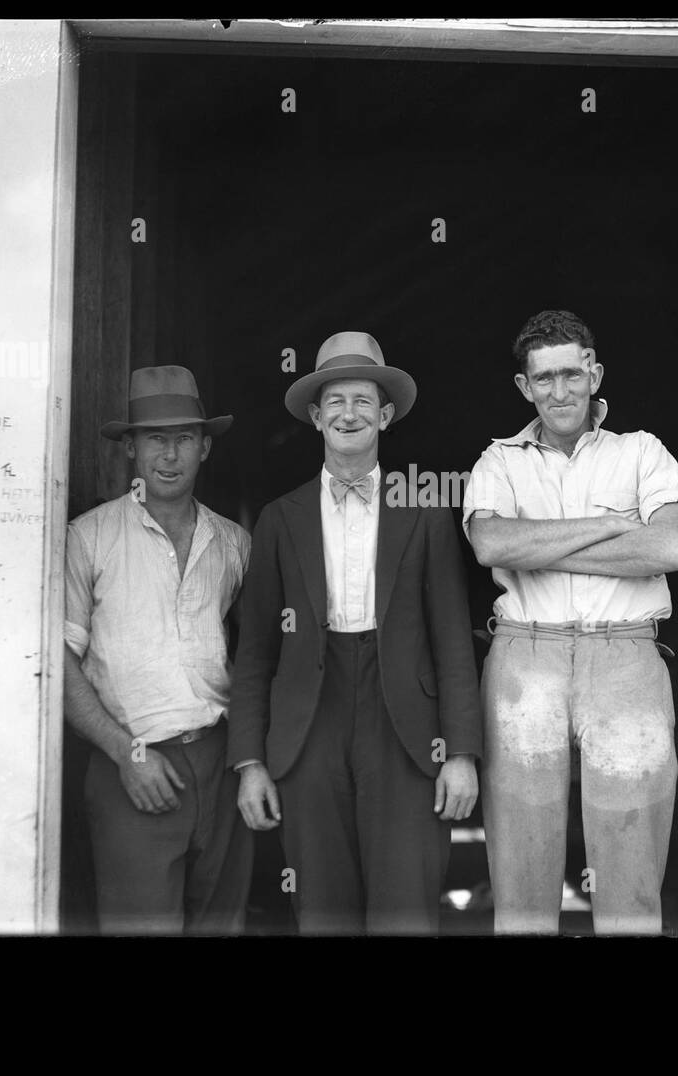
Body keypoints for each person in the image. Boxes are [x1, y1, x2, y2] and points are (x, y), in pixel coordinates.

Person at [228, 331, 482, 934]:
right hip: (307, 720)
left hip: (406, 724)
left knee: (407, 904)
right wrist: (249, 762)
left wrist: (463, 753)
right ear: (316, 416)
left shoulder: (424, 511)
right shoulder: (278, 518)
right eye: (336, 401)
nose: (350, 413)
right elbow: (255, 651)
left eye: (364, 401)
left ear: (386, 415)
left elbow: (452, 638)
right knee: (322, 906)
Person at [463, 309, 678, 934]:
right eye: (544, 379)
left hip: (626, 657)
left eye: (571, 374)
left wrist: (541, 546)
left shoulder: (643, 451)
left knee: (631, 873)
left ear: (594, 373)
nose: (559, 392)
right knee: (521, 877)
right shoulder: (499, 460)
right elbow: (492, 546)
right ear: (524, 387)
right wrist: (613, 524)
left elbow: (673, 549)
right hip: (524, 659)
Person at [63, 365, 253, 934]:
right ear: (130, 448)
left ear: (206, 447)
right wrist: (126, 754)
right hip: (132, 764)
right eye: (155, 439)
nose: (170, 455)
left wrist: (248, 757)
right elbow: (59, 663)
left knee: (220, 925)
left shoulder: (233, 542)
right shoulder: (89, 537)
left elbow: (258, 654)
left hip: (221, 760)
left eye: (184, 438)